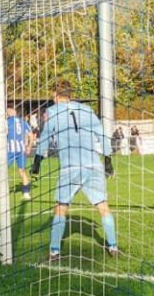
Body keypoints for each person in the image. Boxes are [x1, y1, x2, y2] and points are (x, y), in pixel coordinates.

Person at [31, 79, 119, 262]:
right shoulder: (86, 110)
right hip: (93, 165)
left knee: (60, 209)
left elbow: (45, 138)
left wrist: (36, 164)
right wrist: (108, 163)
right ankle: (113, 246)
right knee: (103, 207)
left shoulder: (52, 112)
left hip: (70, 168)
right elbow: (102, 136)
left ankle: (54, 251)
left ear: (55, 96)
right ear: (70, 95)